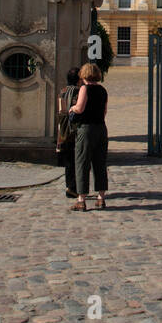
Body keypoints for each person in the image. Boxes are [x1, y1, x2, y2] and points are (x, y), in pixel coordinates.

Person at [68, 62, 109, 211]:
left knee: (82, 163)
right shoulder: (103, 90)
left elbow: (80, 108)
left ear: (84, 75)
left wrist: (72, 108)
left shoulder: (85, 88)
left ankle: (81, 200)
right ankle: (101, 198)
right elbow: (104, 111)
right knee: (100, 163)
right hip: (101, 128)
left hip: (86, 129)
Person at [57, 66, 81, 200]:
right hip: (75, 130)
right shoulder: (79, 92)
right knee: (76, 160)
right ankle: (74, 187)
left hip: (63, 130)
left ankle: (69, 186)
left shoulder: (62, 91)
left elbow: (61, 110)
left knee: (68, 161)